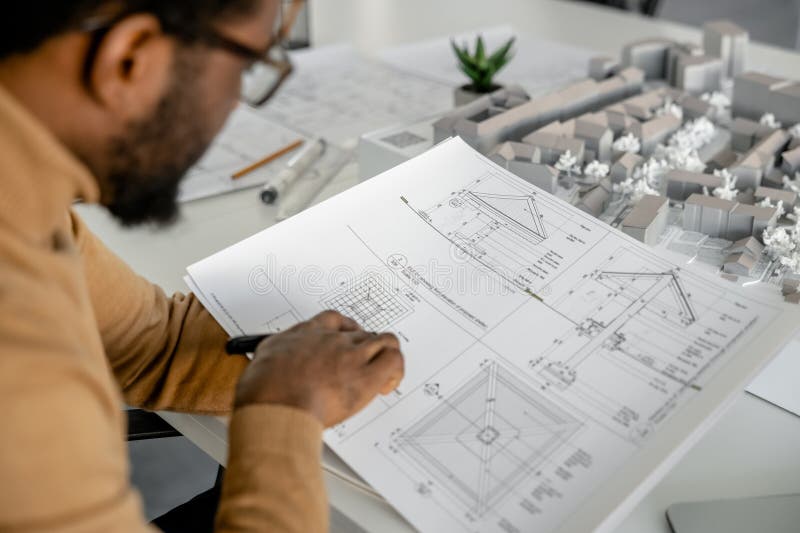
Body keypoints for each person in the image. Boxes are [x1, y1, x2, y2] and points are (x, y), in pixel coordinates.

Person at [0, 1, 405, 532]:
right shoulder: (16, 328)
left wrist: (303, 365)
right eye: (244, 67)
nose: (235, 104)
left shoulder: (24, 195)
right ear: (130, 58)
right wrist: (286, 415)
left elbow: (151, 341)